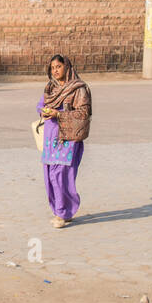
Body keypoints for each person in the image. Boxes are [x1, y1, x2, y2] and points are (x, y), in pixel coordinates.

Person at [36, 53, 91, 227]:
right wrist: (44, 111)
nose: (55, 70)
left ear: (66, 67)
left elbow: (83, 113)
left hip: (68, 137)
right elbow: (40, 104)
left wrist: (59, 114)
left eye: (58, 66)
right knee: (50, 174)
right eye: (52, 68)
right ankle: (63, 211)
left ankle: (62, 212)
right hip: (50, 136)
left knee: (60, 174)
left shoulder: (78, 88)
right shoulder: (50, 88)